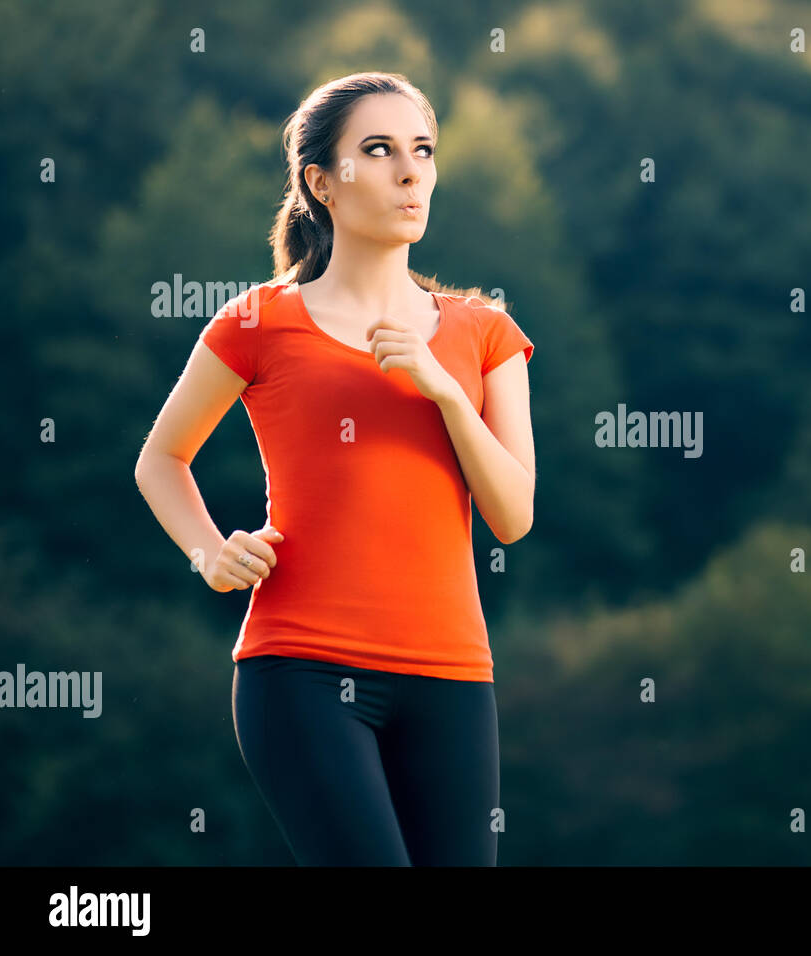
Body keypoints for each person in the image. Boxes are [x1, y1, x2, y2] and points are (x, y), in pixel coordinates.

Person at [133, 72, 536, 866]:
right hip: (301, 672)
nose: (409, 172)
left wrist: (445, 394)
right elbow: (161, 459)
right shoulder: (257, 322)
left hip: (453, 676)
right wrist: (208, 552)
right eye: (378, 151)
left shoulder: (485, 332)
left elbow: (513, 516)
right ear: (322, 181)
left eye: (421, 150)